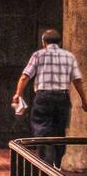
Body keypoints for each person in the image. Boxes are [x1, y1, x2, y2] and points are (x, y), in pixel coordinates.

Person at [12, 29, 87, 168]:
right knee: (60, 131)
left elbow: (25, 76)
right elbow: (77, 80)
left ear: (43, 42)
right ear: (60, 42)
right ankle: (57, 163)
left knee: (41, 128)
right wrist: (84, 100)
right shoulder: (69, 56)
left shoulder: (38, 55)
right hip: (62, 97)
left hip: (43, 96)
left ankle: (44, 163)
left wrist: (18, 94)